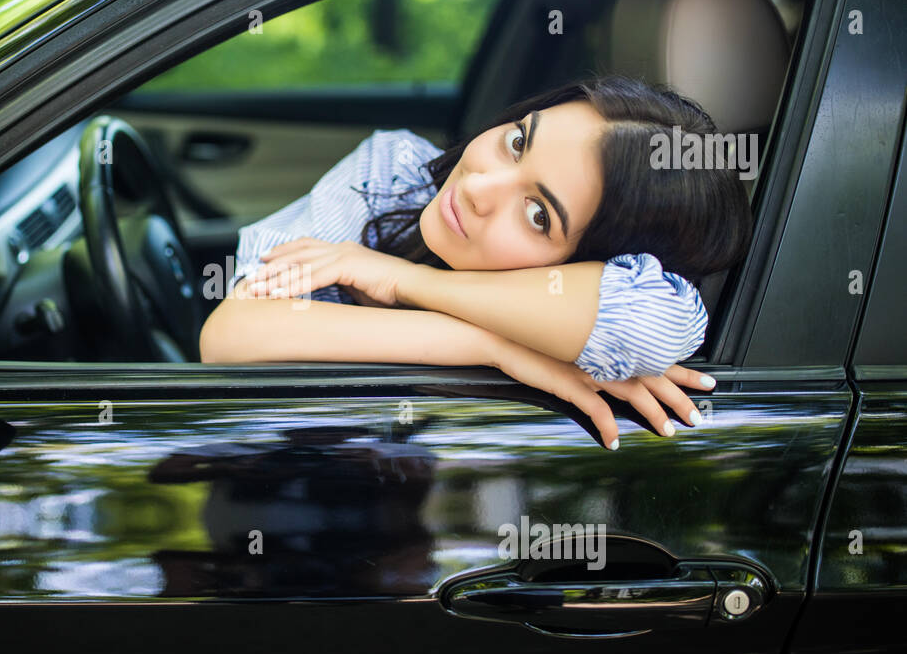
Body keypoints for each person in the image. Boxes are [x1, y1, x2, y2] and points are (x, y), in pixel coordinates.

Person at [199, 75, 753, 450]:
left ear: (591, 266)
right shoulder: (392, 177)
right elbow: (229, 335)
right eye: (517, 143)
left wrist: (402, 281)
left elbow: (652, 322)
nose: (479, 186)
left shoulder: (614, 306)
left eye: (539, 214)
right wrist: (493, 346)